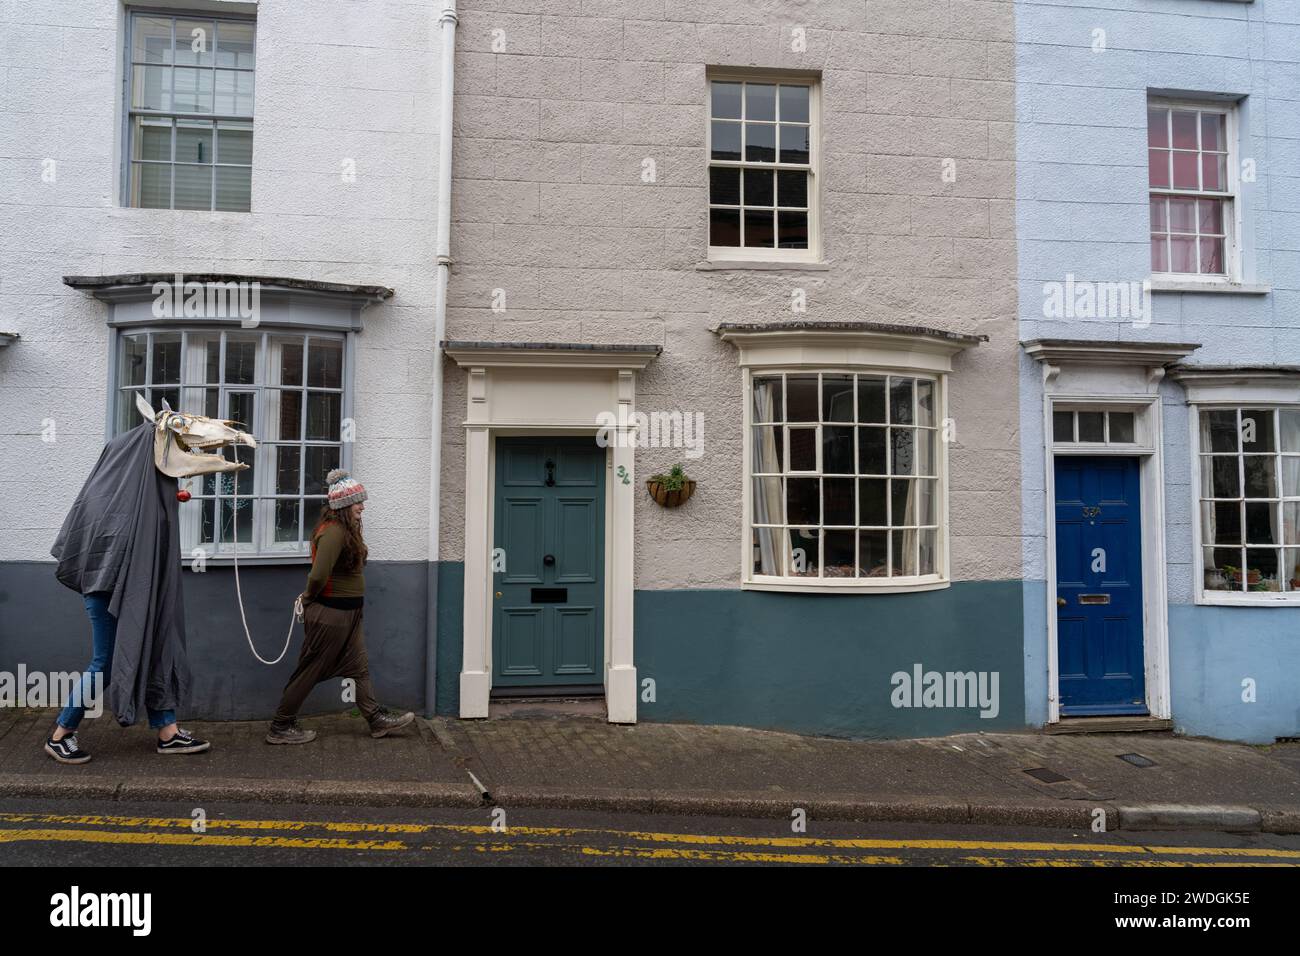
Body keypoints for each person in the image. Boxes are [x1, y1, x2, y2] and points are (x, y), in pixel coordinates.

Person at [266, 469, 413, 744]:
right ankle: (280, 726)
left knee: (360, 667)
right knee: (309, 670)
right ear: (344, 505)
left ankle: (376, 720)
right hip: (330, 616)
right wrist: (309, 596)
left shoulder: (345, 530)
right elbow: (319, 574)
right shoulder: (333, 532)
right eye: (358, 501)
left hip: (349, 614)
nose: (362, 506)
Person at [45, 593, 211, 764]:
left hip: (128, 593)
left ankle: (168, 732)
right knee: (105, 665)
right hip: (105, 592)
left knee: (151, 657)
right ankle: (60, 735)